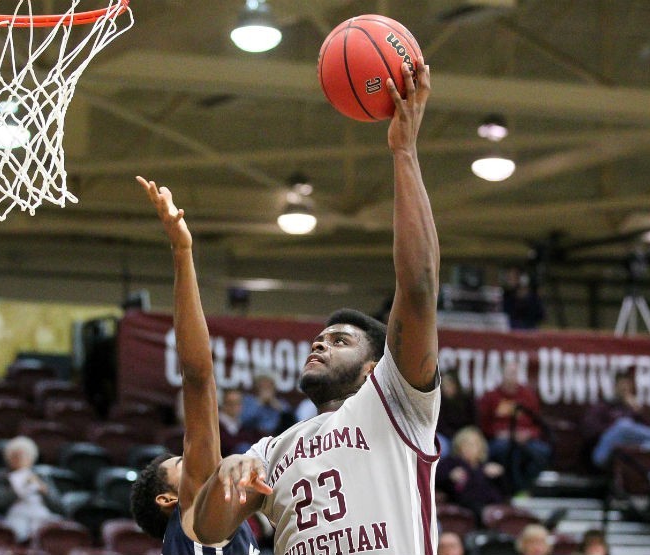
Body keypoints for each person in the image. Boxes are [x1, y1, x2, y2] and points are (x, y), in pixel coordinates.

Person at [193, 62, 441, 554]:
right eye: (320, 339)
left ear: (375, 368)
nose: (321, 343)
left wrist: (403, 151)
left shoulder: (394, 401)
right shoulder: (271, 449)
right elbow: (208, 531)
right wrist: (223, 475)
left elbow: (418, 288)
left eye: (340, 340)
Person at [128, 176, 259, 554]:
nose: (204, 456)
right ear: (171, 500)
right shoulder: (198, 523)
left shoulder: (213, 533)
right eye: (187, 461)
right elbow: (198, 379)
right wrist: (181, 251)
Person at [582, 372, 650, 469]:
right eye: (622, 386)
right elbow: (589, 429)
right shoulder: (603, 406)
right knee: (623, 425)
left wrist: (637, 411)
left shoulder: (629, 409)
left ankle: (638, 479)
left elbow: (645, 428)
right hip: (602, 453)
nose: (625, 389)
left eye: (627, 386)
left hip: (626, 452)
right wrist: (614, 429)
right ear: (615, 386)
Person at [477, 360, 551, 492]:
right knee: (509, 451)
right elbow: (482, 425)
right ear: (502, 375)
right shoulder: (490, 397)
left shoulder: (528, 396)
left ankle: (524, 487)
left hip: (525, 440)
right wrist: (499, 433)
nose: (512, 377)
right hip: (500, 440)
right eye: (509, 373)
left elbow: (538, 425)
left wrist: (529, 434)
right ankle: (510, 490)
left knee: (543, 452)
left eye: (515, 373)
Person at [436, 426, 509, 523]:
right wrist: (449, 476)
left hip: (490, 503)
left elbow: (505, 492)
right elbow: (437, 481)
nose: (470, 448)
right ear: (459, 447)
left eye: (474, 445)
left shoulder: (486, 466)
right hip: (464, 504)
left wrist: (500, 475)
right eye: (466, 444)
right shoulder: (451, 463)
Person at [2, 436, 61, 542]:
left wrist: (45, 491)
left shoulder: (41, 476)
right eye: (16, 456)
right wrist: (23, 486)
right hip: (18, 514)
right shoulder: (3, 478)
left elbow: (58, 505)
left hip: (41, 513)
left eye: (25, 456)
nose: (20, 459)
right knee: (18, 534)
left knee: (57, 531)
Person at [240, 372, 295, 436]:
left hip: (276, 436)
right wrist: (259, 403)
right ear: (257, 388)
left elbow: (292, 421)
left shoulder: (281, 402)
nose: (266, 389)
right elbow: (244, 421)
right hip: (253, 436)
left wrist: (279, 407)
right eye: (263, 386)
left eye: (269, 386)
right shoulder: (249, 400)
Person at [437, 370, 477, 457]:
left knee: (472, 443)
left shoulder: (466, 400)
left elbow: (474, 421)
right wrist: (454, 436)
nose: (447, 388)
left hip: (465, 433)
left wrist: (464, 434)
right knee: (442, 447)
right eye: (444, 385)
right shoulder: (439, 401)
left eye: (449, 384)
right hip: (446, 436)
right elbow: (440, 425)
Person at [218, 388, 258, 457]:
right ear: (223, 404)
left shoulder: (244, 425)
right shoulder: (218, 426)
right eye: (230, 403)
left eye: (237, 403)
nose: (234, 406)